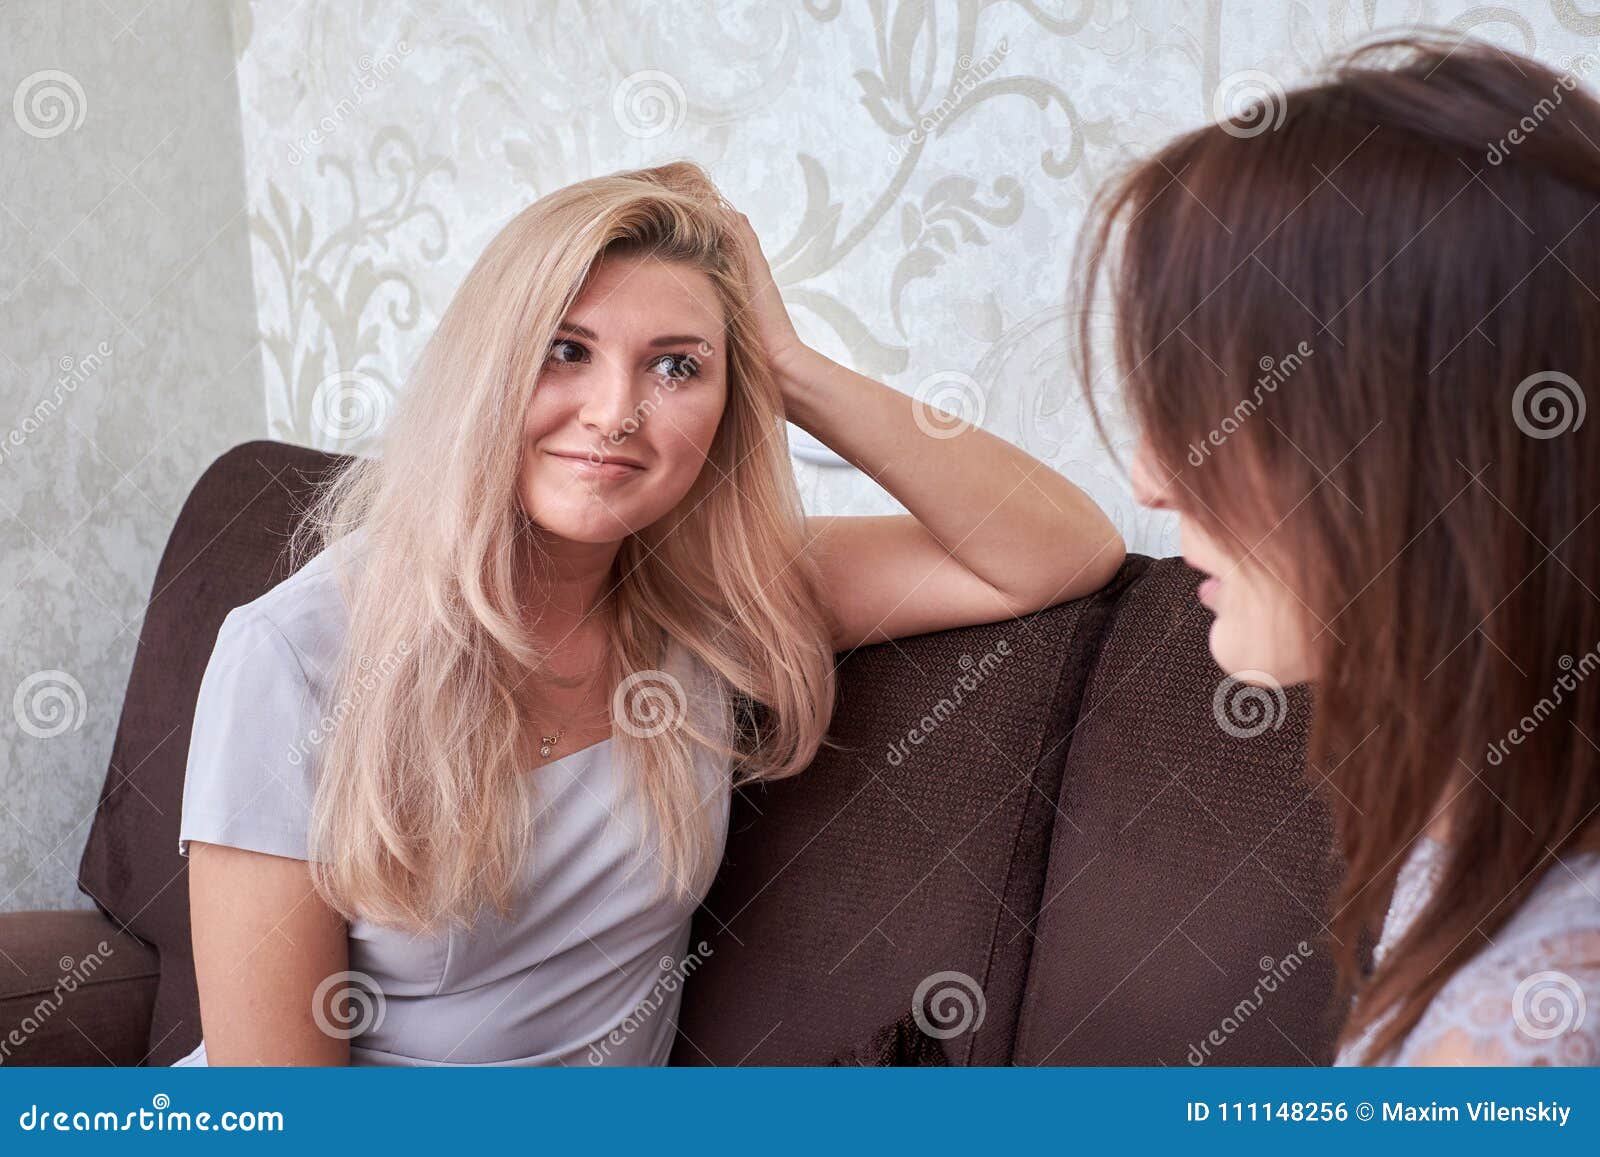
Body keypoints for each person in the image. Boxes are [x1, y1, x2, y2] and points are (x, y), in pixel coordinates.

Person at [177, 161, 1124, 1065]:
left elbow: (1059, 550)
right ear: (486, 368)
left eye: (677, 367)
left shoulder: (716, 598)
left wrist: (789, 367)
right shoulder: (294, 657)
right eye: (565, 351)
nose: (615, 411)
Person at [1078, 32, 1600, 1064]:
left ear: (1422, 454)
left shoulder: (1520, 1035)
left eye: (1214, 412)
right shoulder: (1486, 837)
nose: (1152, 479)